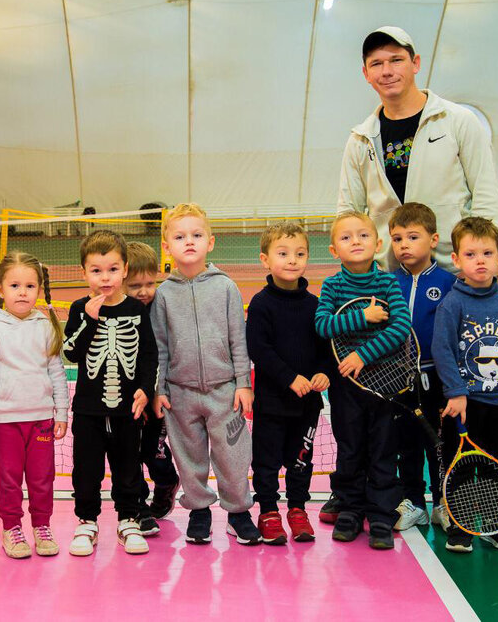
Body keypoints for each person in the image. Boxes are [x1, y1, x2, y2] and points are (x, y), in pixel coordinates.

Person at [338, 26, 498, 270]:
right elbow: (348, 214)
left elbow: (486, 196)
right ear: (366, 73)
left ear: (415, 63)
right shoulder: (360, 139)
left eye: (396, 60)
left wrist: (482, 264)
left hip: (453, 273)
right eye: (376, 64)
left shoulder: (459, 121)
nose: (387, 71)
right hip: (389, 278)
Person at [151, 203, 262, 546]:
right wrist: (159, 388)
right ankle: (199, 511)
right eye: (180, 236)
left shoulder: (226, 287)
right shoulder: (163, 295)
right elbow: (161, 347)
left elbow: (237, 339)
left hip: (224, 391)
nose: (189, 242)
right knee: (189, 456)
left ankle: (238, 512)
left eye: (196, 235)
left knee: (233, 455)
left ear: (210, 242)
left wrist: (243, 383)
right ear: (167, 246)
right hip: (180, 393)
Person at [432, 217, 498, 553]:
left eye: (487, 253)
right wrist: (456, 392)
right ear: (457, 260)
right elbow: (442, 350)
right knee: (460, 464)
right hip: (465, 403)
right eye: (471, 253)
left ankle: (495, 523)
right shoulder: (453, 303)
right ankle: (461, 526)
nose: (480, 260)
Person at [313, 211, 410, 550]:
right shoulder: (332, 286)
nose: (355, 241)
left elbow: (400, 327)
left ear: (378, 243)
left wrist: (363, 355)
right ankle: (351, 509)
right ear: (333, 250)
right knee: (350, 447)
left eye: (363, 235)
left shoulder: (387, 283)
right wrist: (364, 317)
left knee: (384, 449)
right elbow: (323, 325)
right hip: (345, 389)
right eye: (346, 237)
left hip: (384, 386)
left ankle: (381, 514)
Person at [63, 231, 158, 556]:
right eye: (97, 270)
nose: (105, 278)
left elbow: (148, 354)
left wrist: (146, 389)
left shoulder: (136, 309)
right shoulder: (79, 308)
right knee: (85, 468)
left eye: (113, 270)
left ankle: (128, 518)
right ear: (84, 272)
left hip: (127, 411)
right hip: (88, 409)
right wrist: (89, 320)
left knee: (128, 466)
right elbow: (70, 352)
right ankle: (86, 521)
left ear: (125, 268)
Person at [0, 252, 69, 559]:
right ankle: (12, 528)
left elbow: (57, 372)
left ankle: (42, 526)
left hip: (41, 419)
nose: (23, 292)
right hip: (5, 422)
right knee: (9, 480)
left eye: (30, 285)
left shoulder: (44, 326)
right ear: (0, 289)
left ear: (39, 289)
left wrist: (61, 412)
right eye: (15, 285)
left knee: (42, 479)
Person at [246, 222, 331, 545]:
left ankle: (297, 510)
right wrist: (289, 377)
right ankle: (268, 511)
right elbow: (259, 349)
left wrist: (325, 373)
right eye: (283, 253)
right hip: (271, 403)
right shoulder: (261, 304)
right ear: (265, 259)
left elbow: (327, 348)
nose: (292, 260)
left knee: (301, 460)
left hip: (307, 406)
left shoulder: (315, 304)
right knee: (266, 463)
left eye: (299, 253)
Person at [387, 203, 456, 532]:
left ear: (433, 240)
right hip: (401, 380)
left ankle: (444, 501)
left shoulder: (448, 283)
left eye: (413, 237)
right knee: (407, 442)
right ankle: (413, 500)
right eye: (397, 238)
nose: (404, 244)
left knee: (440, 442)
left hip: (438, 380)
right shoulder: (388, 283)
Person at [125, 241, 180, 533]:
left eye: (150, 283)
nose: (145, 291)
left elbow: (165, 354)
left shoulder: (158, 310)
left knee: (154, 452)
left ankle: (167, 480)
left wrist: (160, 391)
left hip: (157, 397)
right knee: (128, 454)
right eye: (135, 285)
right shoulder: (117, 311)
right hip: (126, 400)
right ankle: (138, 505)